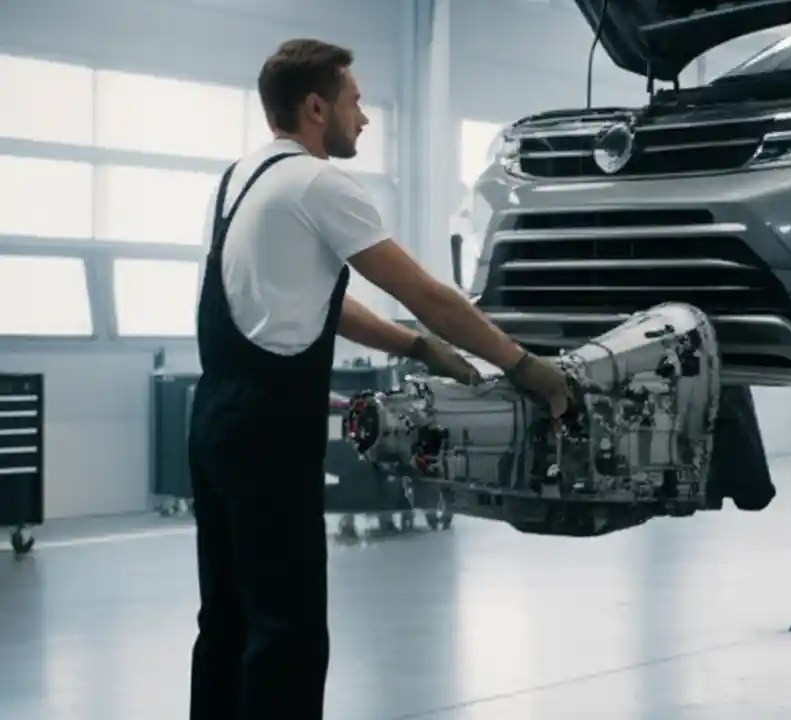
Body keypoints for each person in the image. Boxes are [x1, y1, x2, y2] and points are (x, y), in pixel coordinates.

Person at [185, 38, 570, 720]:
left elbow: (319, 304)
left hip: (214, 419)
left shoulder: (240, 181)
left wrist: (417, 347)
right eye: (355, 102)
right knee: (288, 630)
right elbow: (425, 292)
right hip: (270, 431)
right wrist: (521, 364)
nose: (363, 118)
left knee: (227, 619)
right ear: (315, 108)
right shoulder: (318, 183)